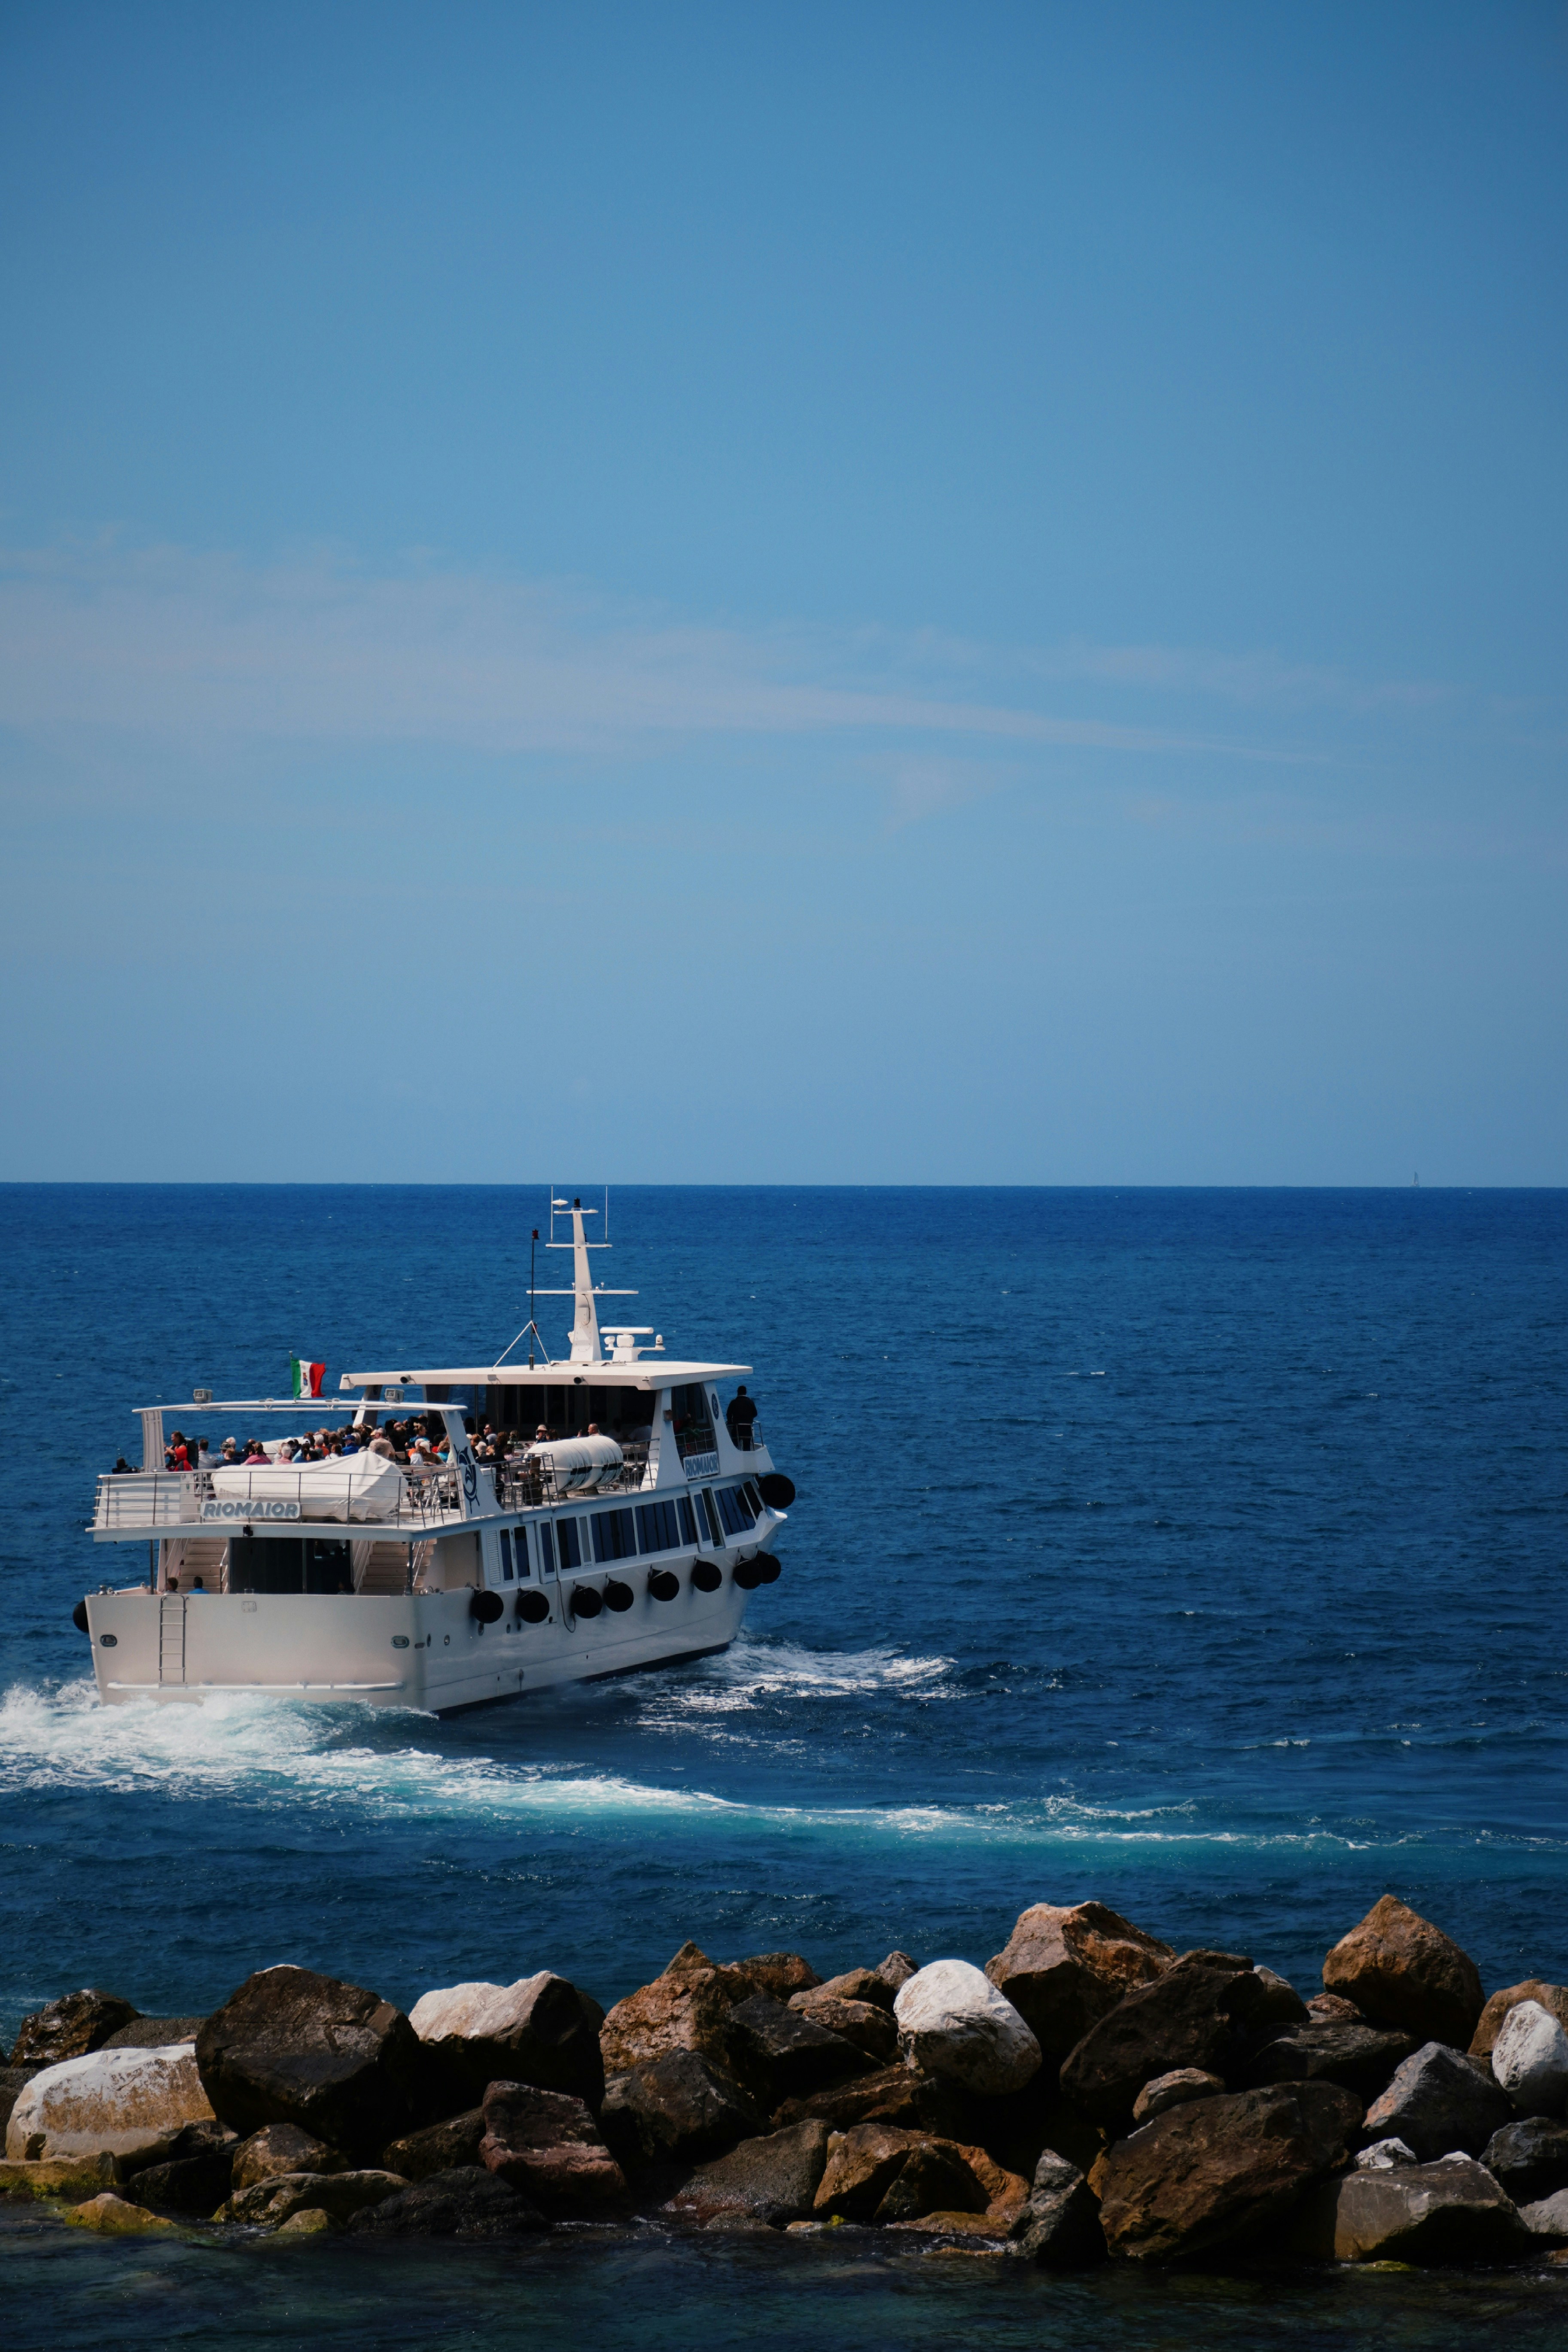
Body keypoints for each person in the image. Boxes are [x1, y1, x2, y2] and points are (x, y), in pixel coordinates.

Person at [725, 1386, 758, 1450]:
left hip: (737, 1429)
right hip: (747, 1428)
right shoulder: (751, 1402)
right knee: (747, 1447)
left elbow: (729, 1414)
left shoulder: (734, 1402)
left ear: (738, 1392)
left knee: (735, 1447)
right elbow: (755, 1414)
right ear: (746, 1392)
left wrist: (730, 1422)